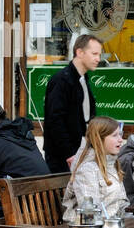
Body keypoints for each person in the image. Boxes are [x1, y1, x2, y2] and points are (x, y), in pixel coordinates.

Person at [42, 33, 102, 173]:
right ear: (79, 52)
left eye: (99, 54)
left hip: (80, 151)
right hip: (64, 157)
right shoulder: (61, 80)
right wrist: (69, 153)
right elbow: (55, 120)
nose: (98, 59)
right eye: (94, 54)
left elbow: (86, 117)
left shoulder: (83, 79)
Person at [61, 116, 129, 224]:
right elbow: (89, 213)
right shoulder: (87, 170)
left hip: (111, 223)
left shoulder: (112, 163)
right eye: (114, 135)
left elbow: (121, 203)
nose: (120, 139)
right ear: (99, 139)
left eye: (120, 134)